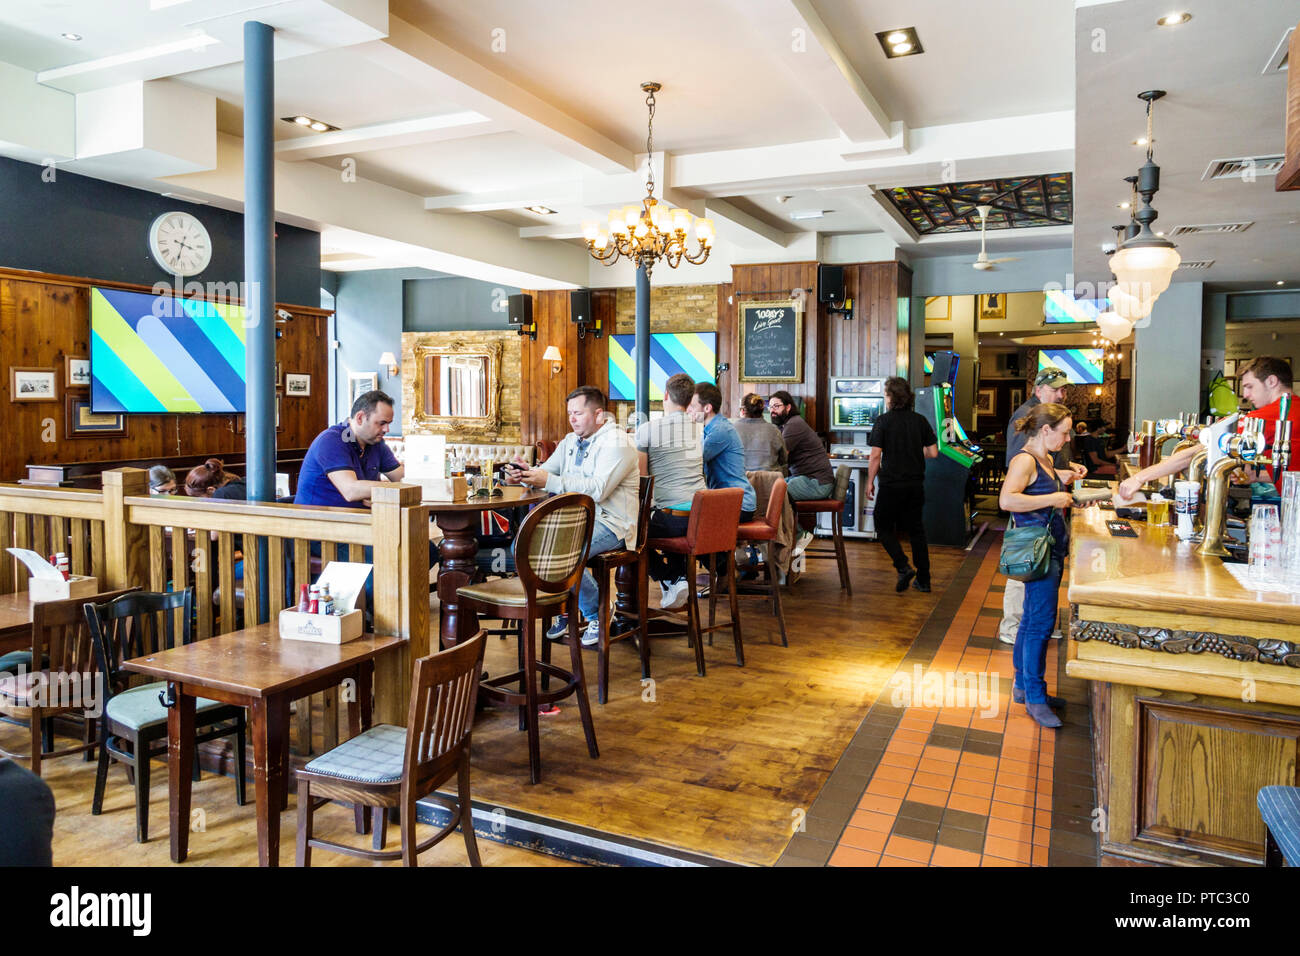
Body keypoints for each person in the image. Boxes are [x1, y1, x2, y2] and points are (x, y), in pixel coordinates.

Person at [509, 386, 639, 646]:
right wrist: (526, 475)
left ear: (599, 414)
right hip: (570, 522)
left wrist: (548, 480)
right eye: (570, 413)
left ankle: (596, 612)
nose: (572, 419)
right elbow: (546, 474)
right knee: (520, 546)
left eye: (578, 413)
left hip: (612, 523)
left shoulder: (618, 442)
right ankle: (565, 606)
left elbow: (599, 490)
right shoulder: (569, 442)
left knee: (557, 553)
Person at [1118, 355, 1300, 500]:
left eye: (1249, 386)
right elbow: (1293, 469)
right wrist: (1258, 477)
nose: (1245, 394)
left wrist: (1139, 478)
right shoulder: (1295, 408)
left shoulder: (1267, 416)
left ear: (1272, 381)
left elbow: (1193, 454)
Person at [997, 367, 1087, 646]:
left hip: (1047, 509)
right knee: (1024, 564)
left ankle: (1037, 624)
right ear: (1038, 390)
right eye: (1055, 389)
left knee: (1041, 566)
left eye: (1063, 389)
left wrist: (1066, 468)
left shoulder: (1055, 416)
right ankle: (1012, 626)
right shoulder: (1027, 416)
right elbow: (1021, 463)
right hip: (1030, 515)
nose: (1061, 394)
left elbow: (1044, 461)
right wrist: (1054, 487)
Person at [998, 403, 1075, 729]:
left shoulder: (1044, 460)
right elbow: (1007, 500)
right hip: (1038, 552)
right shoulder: (1025, 460)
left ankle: (1022, 687)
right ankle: (1035, 697)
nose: (1068, 437)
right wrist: (1053, 499)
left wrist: (1063, 477)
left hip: (1049, 550)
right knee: (1040, 626)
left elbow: (1042, 484)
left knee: (1032, 621)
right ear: (1046, 430)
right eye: (1064, 431)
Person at [637, 373, 706, 611]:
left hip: (672, 518)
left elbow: (641, 482)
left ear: (666, 395)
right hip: (702, 515)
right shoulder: (701, 428)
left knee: (628, 532)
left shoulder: (647, 429)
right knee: (669, 516)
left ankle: (669, 577)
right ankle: (680, 580)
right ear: (690, 400)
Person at [866, 377, 938, 593]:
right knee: (917, 530)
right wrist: (914, 453)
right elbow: (933, 452)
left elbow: (875, 456)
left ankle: (902, 565)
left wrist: (870, 481)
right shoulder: (920, 420)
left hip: (891, 485)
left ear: (890, 397)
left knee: (882, 525)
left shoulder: (883, 421)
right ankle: (924, 580)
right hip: (915, 484)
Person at [295, 390, 403, 508]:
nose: (386, 429)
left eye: (389, 423)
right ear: (360, 418)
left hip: (356, 519)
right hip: (316, 521)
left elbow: (402, 479)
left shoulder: (376, 443)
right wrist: (393, 488)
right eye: (382, 423)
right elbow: (351, 491)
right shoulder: (332, 440)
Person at [768, 390, 833, 557]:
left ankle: (797, 535)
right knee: (775, 489)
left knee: (775, 493)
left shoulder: (794, 425)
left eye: (777, 406)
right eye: (770, 407)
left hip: (816, 483)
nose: (772, 410)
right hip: (807, 479)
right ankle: (782, 543)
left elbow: (781, 456)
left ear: (788, 407)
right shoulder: (788, 424)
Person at [687, 382, 756, 522]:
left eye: (692, 406)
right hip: (730, 500)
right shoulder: (712, 429)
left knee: (683, 521)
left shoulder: (720, 430)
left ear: (707, 408)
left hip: (738, 505)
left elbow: (693, 462)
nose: (688, 410)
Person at [733, 392, 787, 472]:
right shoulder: (774, 430)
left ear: (743, 411)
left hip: (739, 481)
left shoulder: (731, 430)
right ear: (762, 410)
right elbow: (784, 459)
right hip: (770, 482)